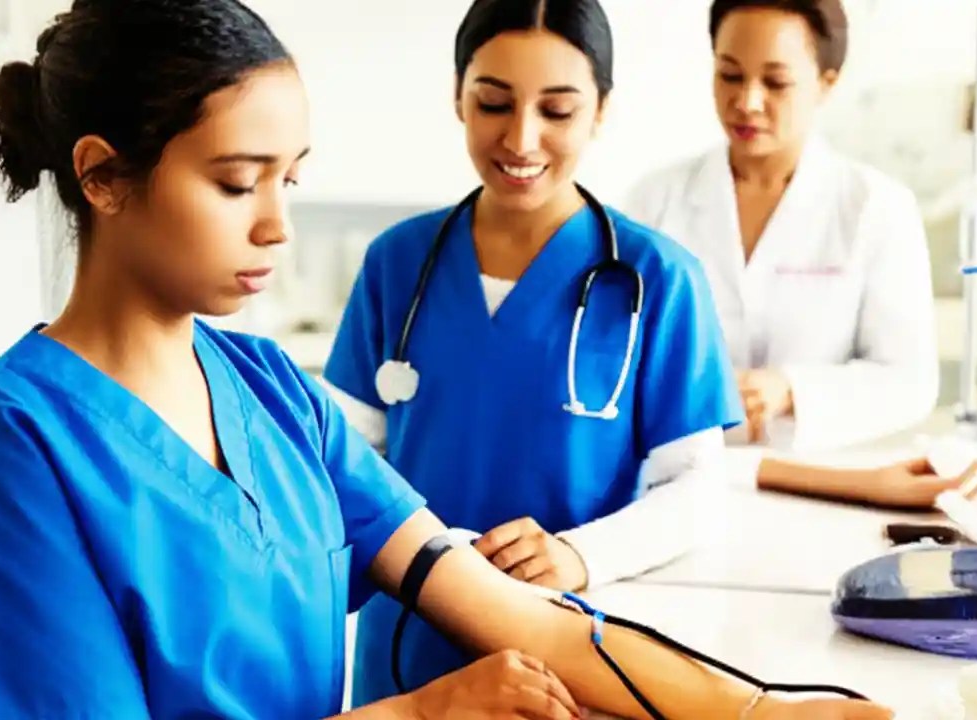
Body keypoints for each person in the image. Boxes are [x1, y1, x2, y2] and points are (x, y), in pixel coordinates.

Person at [0, 1, 893, 719]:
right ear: (102, 176)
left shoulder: (269, 395)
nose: (277, 226)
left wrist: (765, 709)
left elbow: (519, 616)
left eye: (289, 180)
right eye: (235, 183)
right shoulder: (15, 452)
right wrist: (417, 716)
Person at [319, 0, 759, 706]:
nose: (521, 138)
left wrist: (579, 556)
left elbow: (698, 493)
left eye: (557, 111)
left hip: (572, 656)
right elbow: (343, 463)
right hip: (407, 662)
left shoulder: (659, 279)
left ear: (601, 111)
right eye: (493, 102)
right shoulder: (397, 263)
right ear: (458, 96)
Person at [626, 0, 977, 509]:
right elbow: (623, 368)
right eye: (729, 75)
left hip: (833, 489)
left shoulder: (876, 208)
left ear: (826, 82)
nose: (747, 101)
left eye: (775, 83)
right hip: (673, 492)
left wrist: (790, 389)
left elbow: (910, 381)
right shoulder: (655, 201)